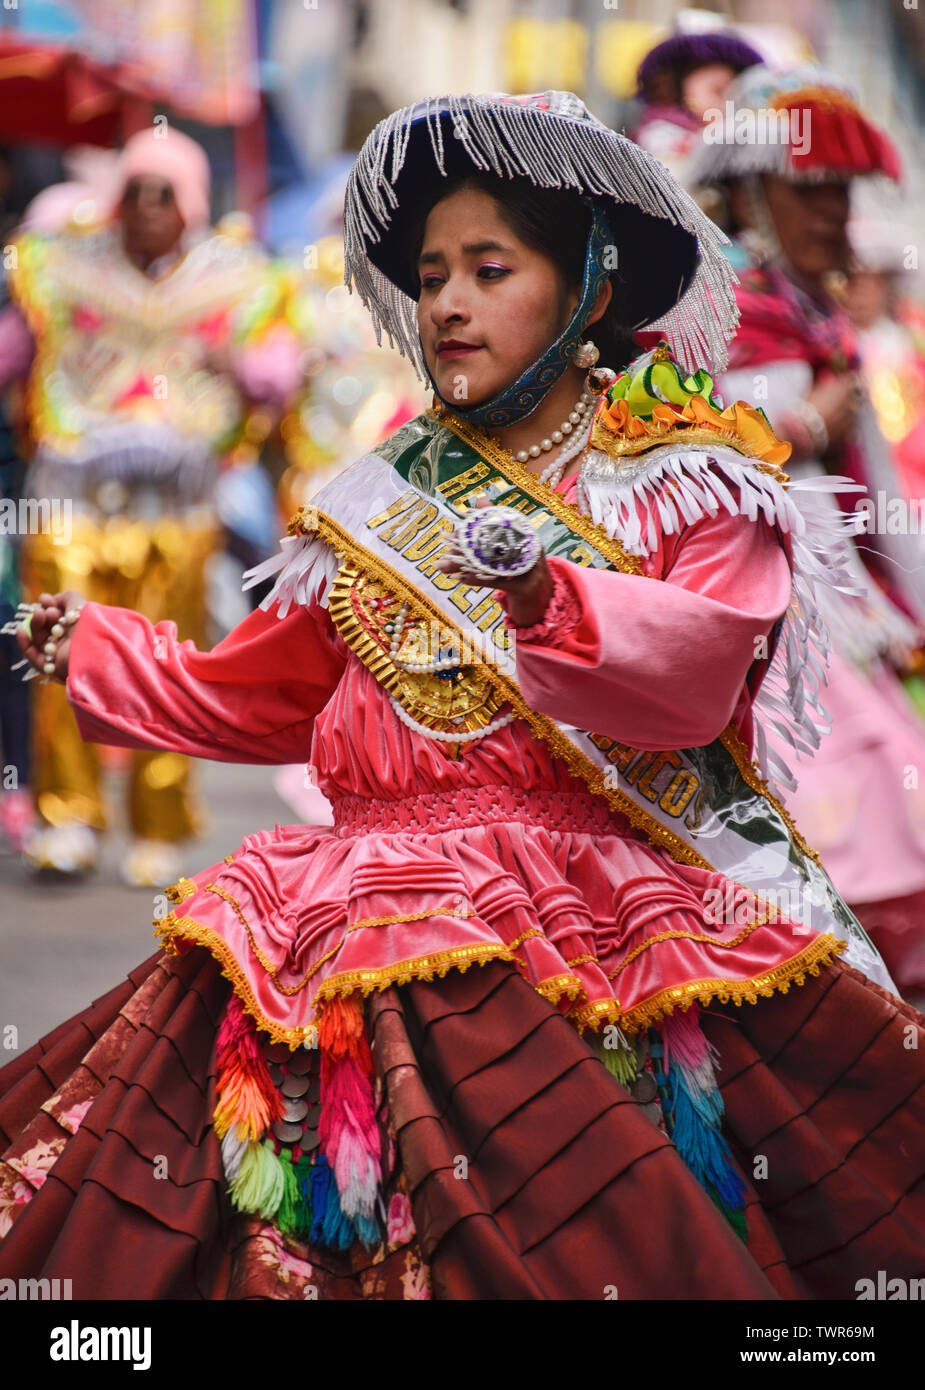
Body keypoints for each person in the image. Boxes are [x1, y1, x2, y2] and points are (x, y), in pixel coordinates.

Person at [1, 90, 922, 1301]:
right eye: (431, 274)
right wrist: (104, 652)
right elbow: (272, 686)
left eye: (489, 269)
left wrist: (553, 600)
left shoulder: (690, 478)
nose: (446, 302)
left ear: (589, 287)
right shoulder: (381, 498)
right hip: (335, 920)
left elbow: (696, 668)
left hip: (587, 938)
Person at [0, 127, 304, 885]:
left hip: (176, 508)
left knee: (169, 664)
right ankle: (65, 818)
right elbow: (11, 351)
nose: (145, 209)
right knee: (54, 654)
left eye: (163, 193)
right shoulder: (62, 269)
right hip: (70, 503)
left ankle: (158, 826)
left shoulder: (235, 280)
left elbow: (278, 375)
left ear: (191, 203)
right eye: (134, 190)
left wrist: (238, 362)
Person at [692, 65, 925, 999]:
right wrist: (808, 423)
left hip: (839, 588)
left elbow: (873, 482)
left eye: (841, 192)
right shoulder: (716, 307)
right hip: (757, 586)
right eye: (809, 190)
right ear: (752, 191)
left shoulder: (818, 316)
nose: (833, 213)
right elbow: (695, 438)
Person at [630, 28, 763, 187]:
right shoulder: (659, 132)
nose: (727, 104)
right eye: (718, 92)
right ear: (677, 91)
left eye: (736, 96)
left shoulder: (738, 132)